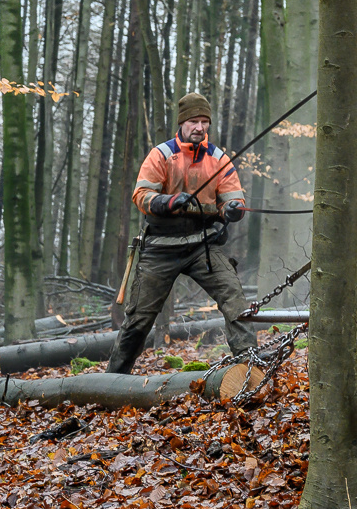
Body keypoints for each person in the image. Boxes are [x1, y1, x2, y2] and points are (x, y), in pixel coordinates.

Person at [106, 92, 257, 373]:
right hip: (161, 246)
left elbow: (232, 199)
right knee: (139, 318)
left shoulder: (219, 159)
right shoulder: (161, 155)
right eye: (193, 121)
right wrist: (167, 201)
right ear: (182, 124)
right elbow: (141, 195)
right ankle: (112, 380)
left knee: (235, 301)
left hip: (203, 246)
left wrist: (233, 209)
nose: (199, 127)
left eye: (204, 121)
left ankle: (249, 370)